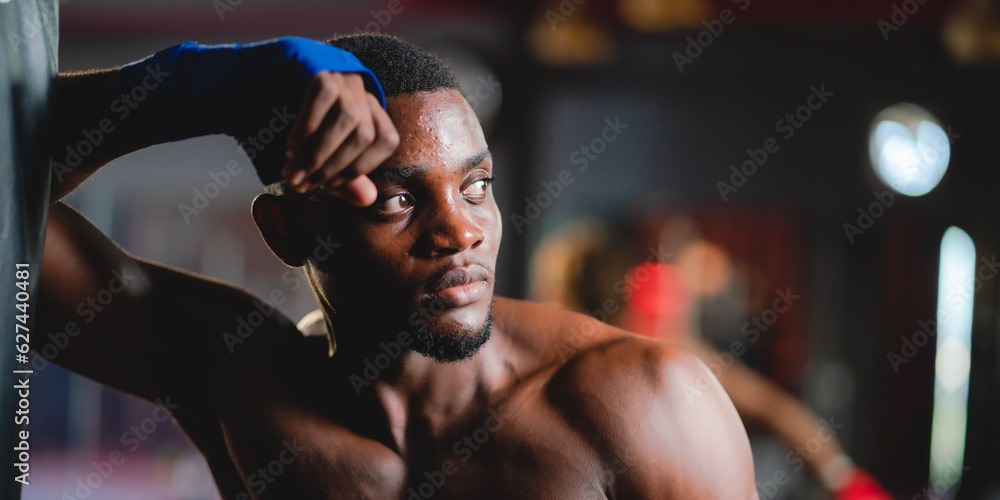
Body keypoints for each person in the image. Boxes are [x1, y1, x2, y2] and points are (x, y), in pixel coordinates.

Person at [37, 34, 755, 498]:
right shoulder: (243, 375)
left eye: (477, 187)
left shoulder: (642, 404)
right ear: (287, 230)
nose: (461, 230)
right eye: (398, 201)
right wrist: (201, 84)